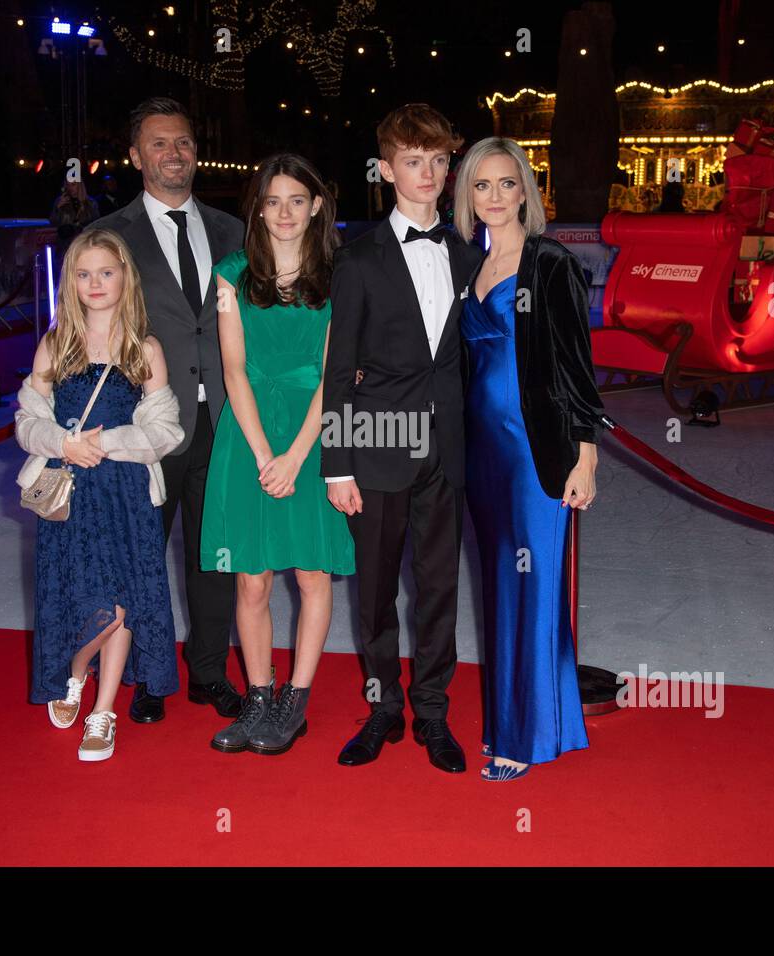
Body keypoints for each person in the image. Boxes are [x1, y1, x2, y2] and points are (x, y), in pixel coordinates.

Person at [322, 104, 484, 774]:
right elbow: (338, 370)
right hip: (375, 448)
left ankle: (434, 714)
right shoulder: (356, 260)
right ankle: (383, 706)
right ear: (386, 168)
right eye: (413, 161)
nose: (429, 174)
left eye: (440, 161)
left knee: (440, 590)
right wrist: (337, 466)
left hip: (448, 453)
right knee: (375, 594)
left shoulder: (471, 257)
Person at [453, 137, 607, 782]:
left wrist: (587, 457)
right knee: (501, 588)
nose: (494, 197)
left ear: (525, 191)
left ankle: (528, 736)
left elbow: (577, 368)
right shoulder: (472, 267)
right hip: (482, 455)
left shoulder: (550, 264)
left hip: (538, 450)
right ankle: (529, 720)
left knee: (535, 586)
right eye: (481, 186)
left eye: (506, 184)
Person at [95, 97, 247, 724]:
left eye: (182, 142)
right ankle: (149, 675)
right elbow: (87, 331)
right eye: (158, 144)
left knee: (215, 555)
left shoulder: (234, 231)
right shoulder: (109, 236)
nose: (173, 154)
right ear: (136, 156)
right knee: (140, 555)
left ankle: (209, 672)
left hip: (222, 420)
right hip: (146, 425)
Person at [200, 154, 355, 755]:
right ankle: (257, 699)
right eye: (272, 201)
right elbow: (233, 369)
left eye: (296, 200)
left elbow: (332, 376)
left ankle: (296, 702)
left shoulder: (341, 276)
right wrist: (265, 452)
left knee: (314, 574)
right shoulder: (231, 274)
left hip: (313, 436)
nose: (284, 212)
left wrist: (294, 457)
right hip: (248, 437)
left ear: (317, 205)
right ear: (257, 208)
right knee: (252, 580)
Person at [15, 228, 185, 761]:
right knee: (80, 596)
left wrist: (106, 444)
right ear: (70, 282)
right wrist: (64, 442)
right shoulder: (55, 342)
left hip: (125, 491)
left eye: (105, 272)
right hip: (69, 496)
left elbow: (167, 430)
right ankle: (74, 672)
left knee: (119, 606)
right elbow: (26, 420)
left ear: (124, 277)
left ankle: (103, 710)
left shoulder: (145, 348)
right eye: (83, 274)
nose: (94, 283)